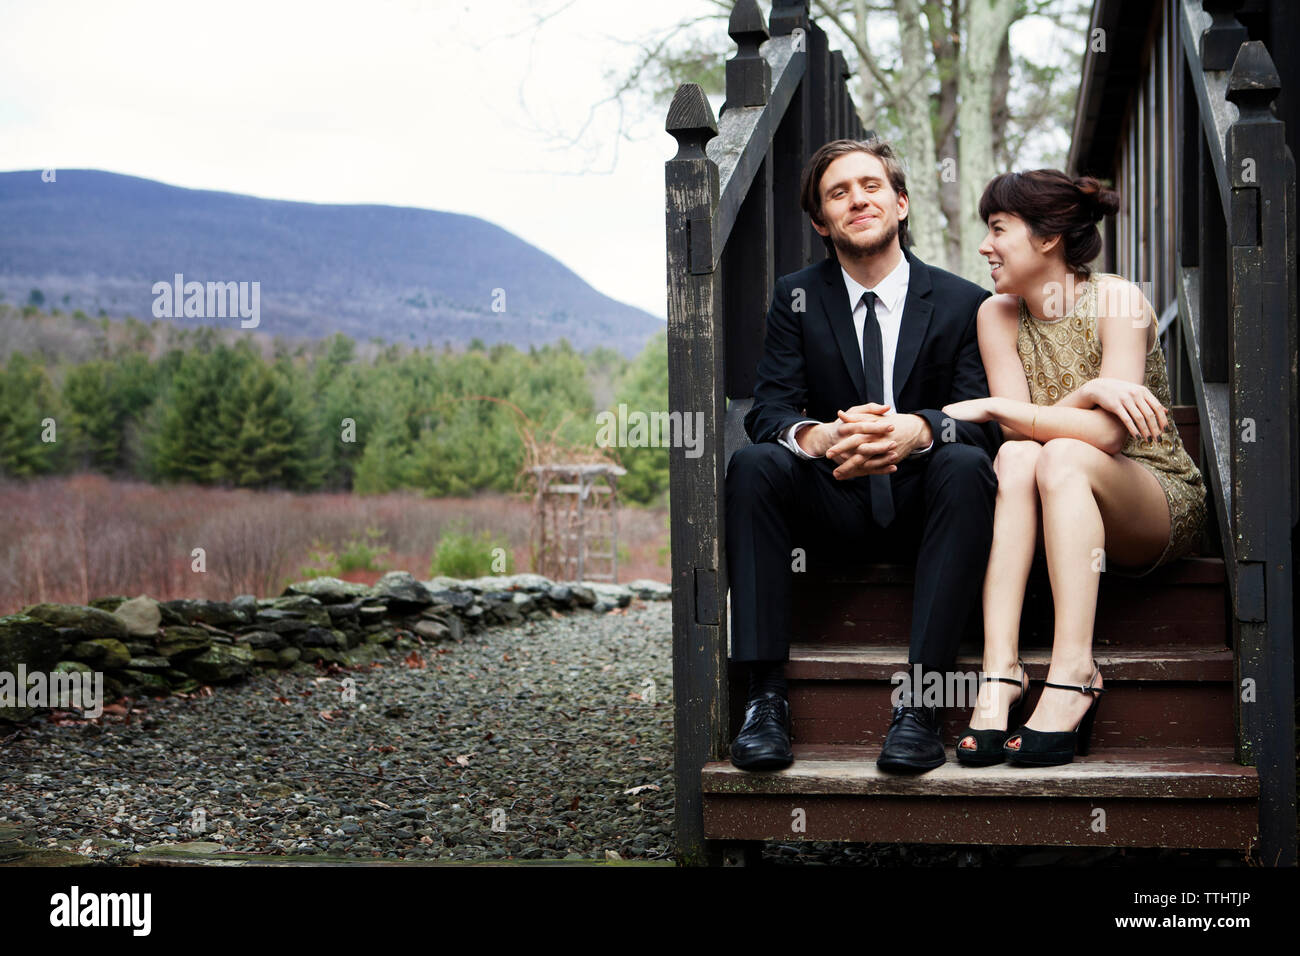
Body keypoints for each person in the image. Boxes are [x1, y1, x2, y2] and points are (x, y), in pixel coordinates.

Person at [726, 137, 1001, 774]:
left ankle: (922, 706)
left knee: (965, 462)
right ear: (822, 222)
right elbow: (768, 411)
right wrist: (818, 437)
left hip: (924, 503)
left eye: (871, 186)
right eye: (838, 193)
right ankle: (764, 698)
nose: (858, 200)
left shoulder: (963, 303)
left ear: (900, 203)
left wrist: (920, 431)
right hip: (833, 499)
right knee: (755, 464)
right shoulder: (795, 297)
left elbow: (984, 420)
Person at [943, 169, 1207, 767]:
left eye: (998, 229)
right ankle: (1000, 671)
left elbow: (1112, 435)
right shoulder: (998, 316)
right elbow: (1016, 432)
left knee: (1057, 453)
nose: (986, 245)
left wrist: (995, 404)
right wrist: (1086, 392)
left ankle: (1073, 672)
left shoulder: (1116, 299)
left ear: (1046, 238)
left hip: (1151, 492)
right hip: (1054, 483)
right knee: (1016, 454)